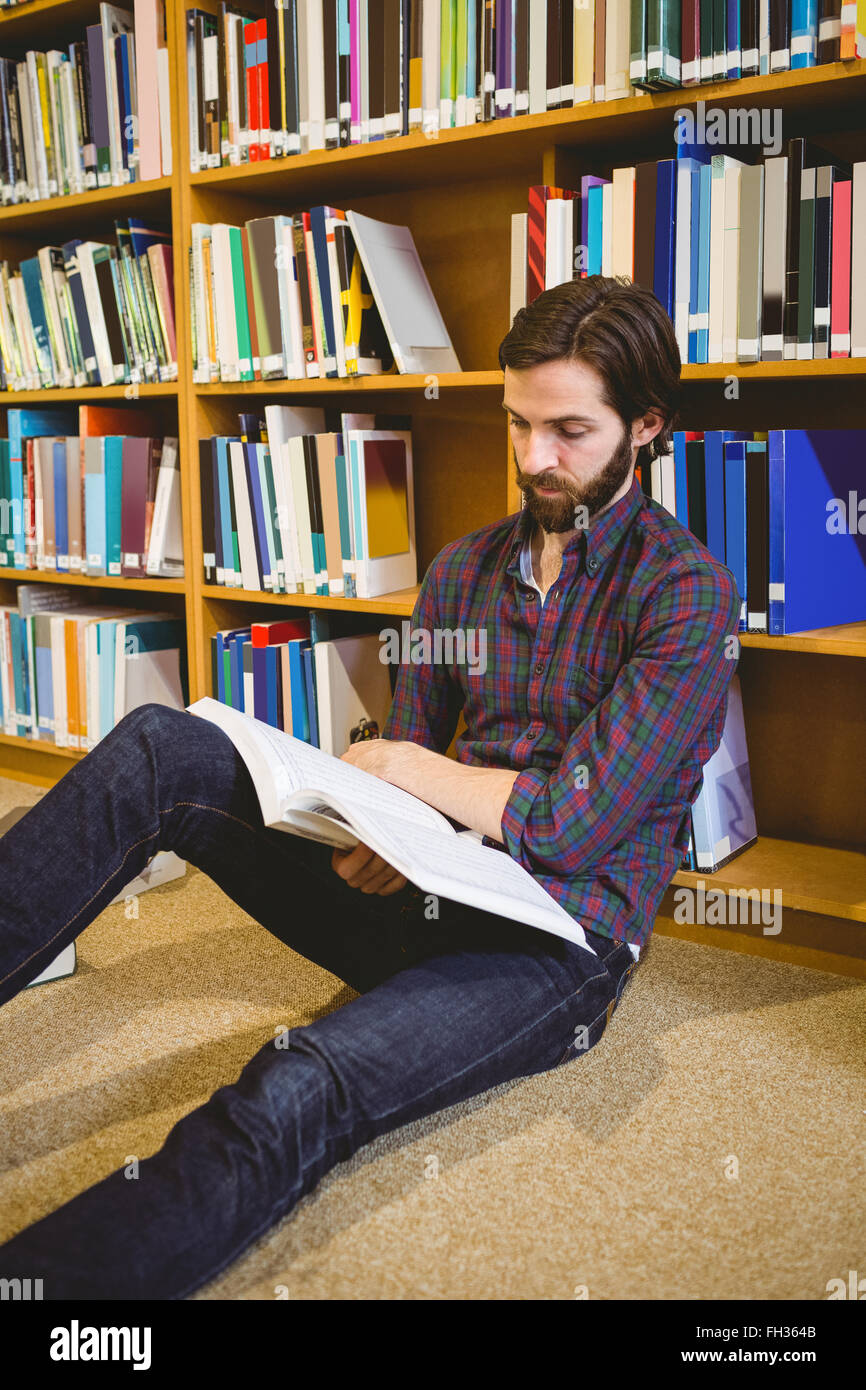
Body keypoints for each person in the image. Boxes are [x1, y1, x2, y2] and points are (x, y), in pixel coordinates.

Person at [0, 275, 740, 1299]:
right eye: (518, 423)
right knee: (161, 746)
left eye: (569, 430)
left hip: (554, 937)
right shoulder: (463, 569)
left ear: (647, 424)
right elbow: (407, 746)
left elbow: (574, 824)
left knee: (295, 1084)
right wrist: (375, 815)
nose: (533, 458)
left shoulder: (688, 595)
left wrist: (411, 772)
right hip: (420, 881)